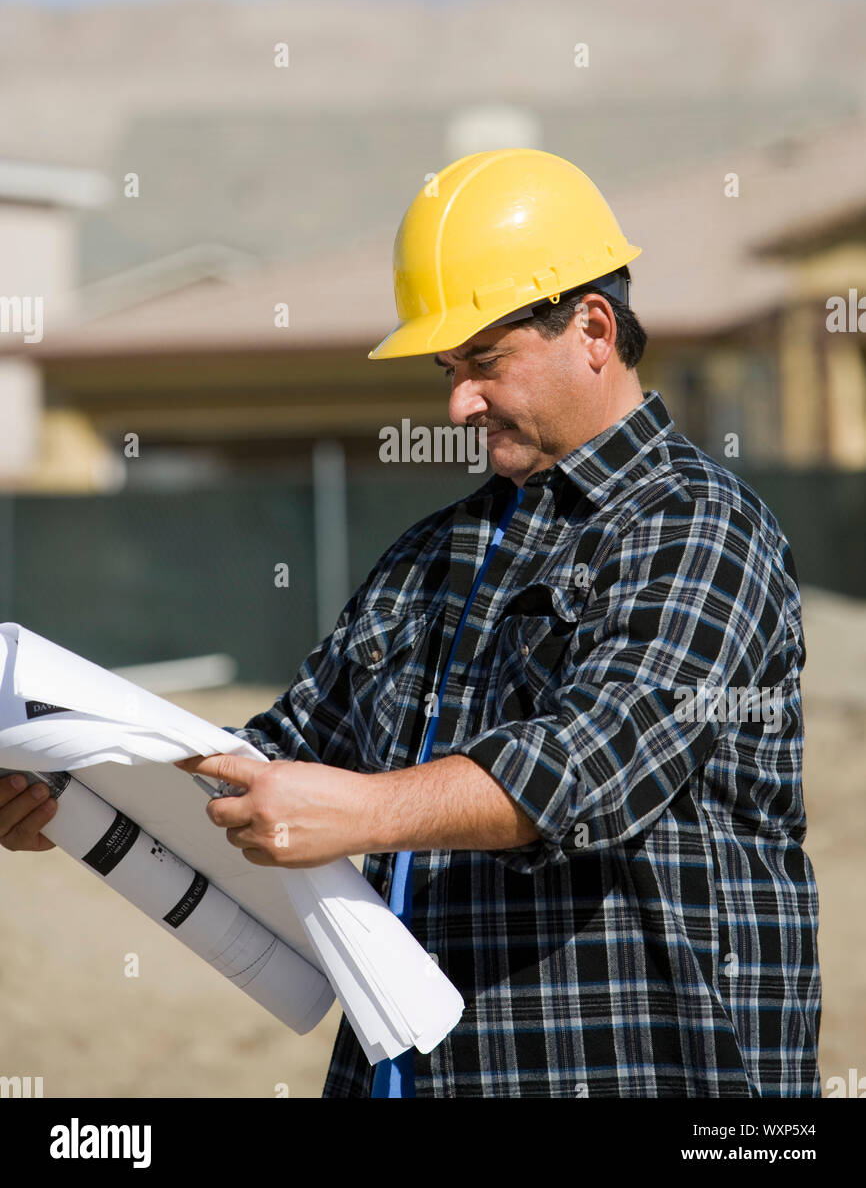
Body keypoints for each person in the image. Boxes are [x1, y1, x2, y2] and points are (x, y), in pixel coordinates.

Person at [0, 149, 822, 1099]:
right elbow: (270, 760)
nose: (458, 401)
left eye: (484, 361)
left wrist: (363, 810)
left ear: (593, 328)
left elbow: (594, 766)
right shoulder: (432, 556)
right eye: (448, 367)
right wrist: (74, 792)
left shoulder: (703, 525)